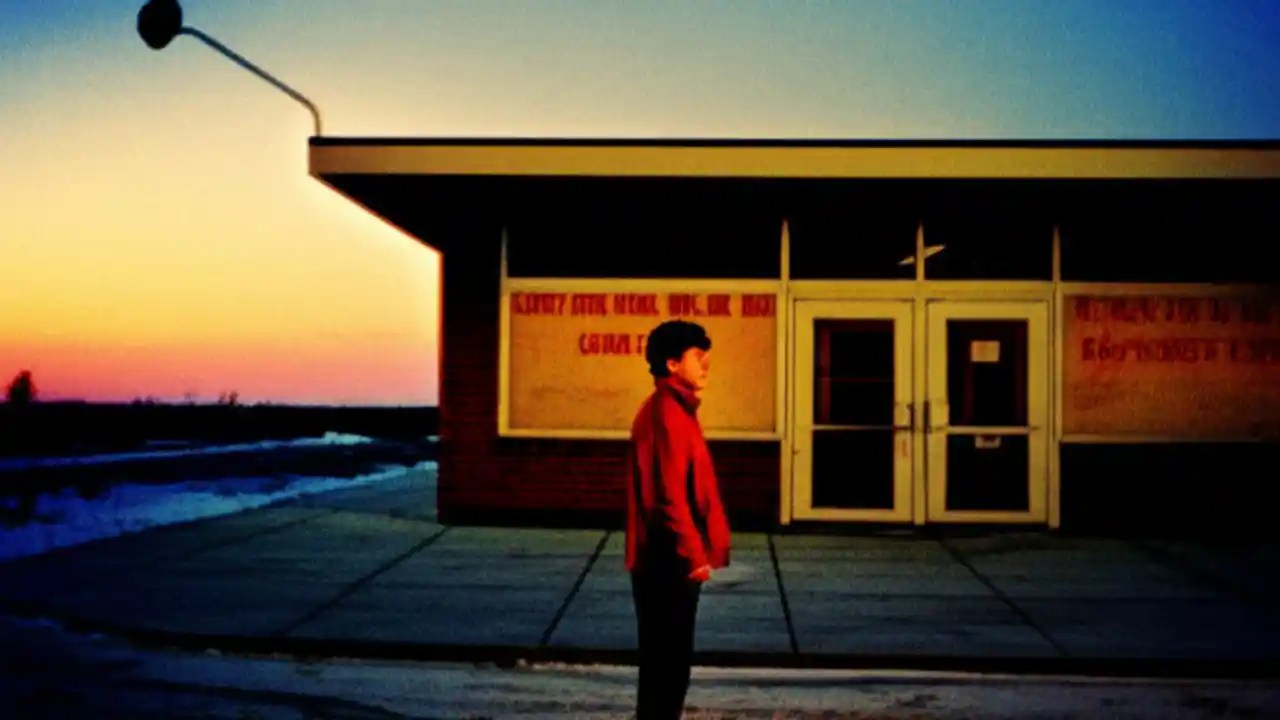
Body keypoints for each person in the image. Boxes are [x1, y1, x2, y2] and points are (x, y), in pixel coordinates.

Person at [624, 319, 731, 719]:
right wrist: (694, 555)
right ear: (672, 365)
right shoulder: (667, 414)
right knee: (667, 668)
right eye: (698, 358)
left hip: (666, 558)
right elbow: (670, 497)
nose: (706, 366)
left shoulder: (676, 410)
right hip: (667, 560)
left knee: (666, 666)